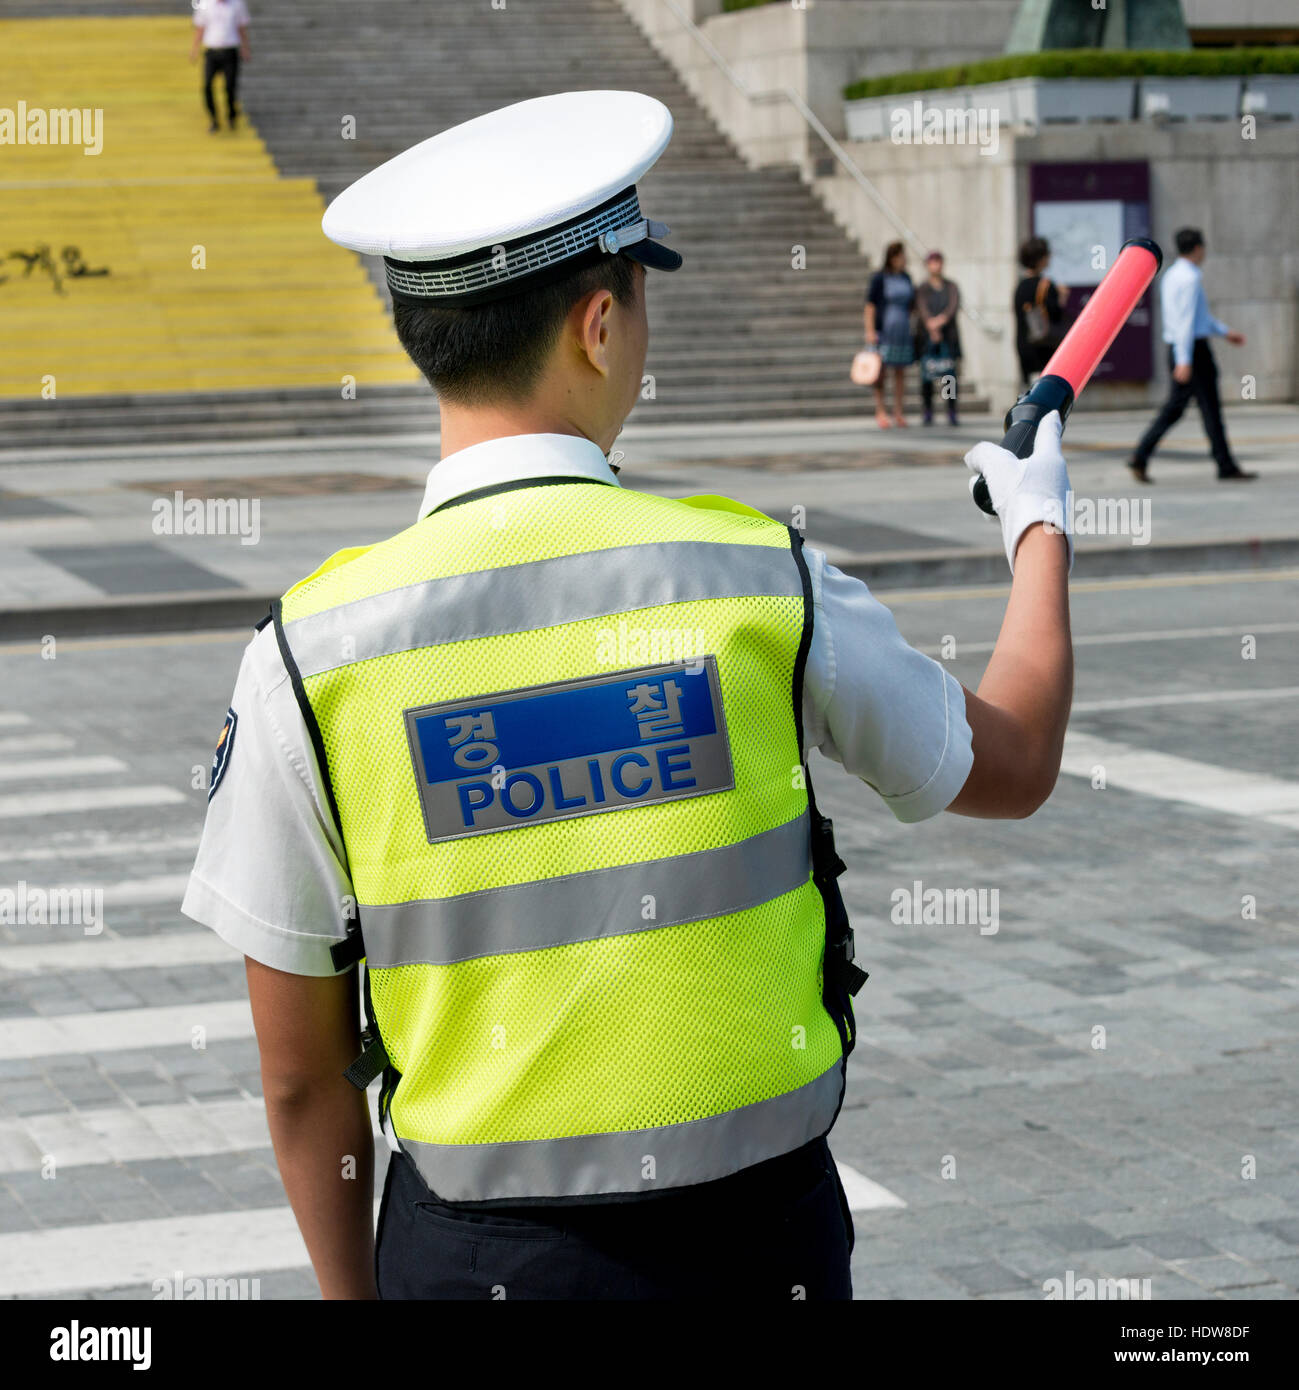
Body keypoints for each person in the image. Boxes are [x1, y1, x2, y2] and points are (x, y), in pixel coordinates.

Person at [181, 89, 1077, 1302]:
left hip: (470, 1260)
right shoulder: (760, 574)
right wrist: (1038, 528)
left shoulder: (307, 654)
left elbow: (301, 1078)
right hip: (760, 1252)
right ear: (600, 324)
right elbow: (1012, 760)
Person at [1128, 228, 1255, 483]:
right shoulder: (1190, 278)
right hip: (1192, 352)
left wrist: (1224, 332)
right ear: (1197, 248)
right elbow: (1185, 322)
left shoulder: (1172, 275)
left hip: (1182, 348)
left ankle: (1142, 456)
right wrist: (1185, 360)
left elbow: (1195, 319)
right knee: (1209, 410)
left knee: (1179, 409)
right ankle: (1224, 464)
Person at [864, 241, 915, 428]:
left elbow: (911, 304)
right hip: (884, 330)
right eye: (900, 256)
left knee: (900, 372)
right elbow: (870, 306)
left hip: (902, 330)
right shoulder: (879, 278)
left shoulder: (906, 278)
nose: (903, 260)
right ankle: (881, 411)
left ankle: (898, 412)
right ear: (892, 258)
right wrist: (870, 330)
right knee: (881, 372)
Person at [914, 250, 962, 427]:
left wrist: (940, 322)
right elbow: (921, 308)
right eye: (933, 262)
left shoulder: (951, 286)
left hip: (948, 337)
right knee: (927, 375)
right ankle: (928, 410)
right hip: (928, 339)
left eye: (939, 262)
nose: (936, 265)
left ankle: (951, 409)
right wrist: (931, 326)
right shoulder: (923, 288)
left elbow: (953, 306)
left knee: (949, 376)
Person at [189, 0, 251, 134]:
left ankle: (231, 115)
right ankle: (214, 119)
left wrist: (245, 48)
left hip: (230, 51)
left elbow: (241, 27)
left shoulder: (237, 3)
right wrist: (194, 48)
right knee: (207, 86)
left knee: (230, 86)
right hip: (212, 52)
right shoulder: (204, 3)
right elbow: (200, 27)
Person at [1013, 235, 1066, 388]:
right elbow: (1055, 314)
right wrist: (1061, 297)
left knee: (1031, 392)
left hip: (1024, 346)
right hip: (1044, 348)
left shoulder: (1020, 286)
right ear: (1041, 259)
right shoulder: (1047, 285)